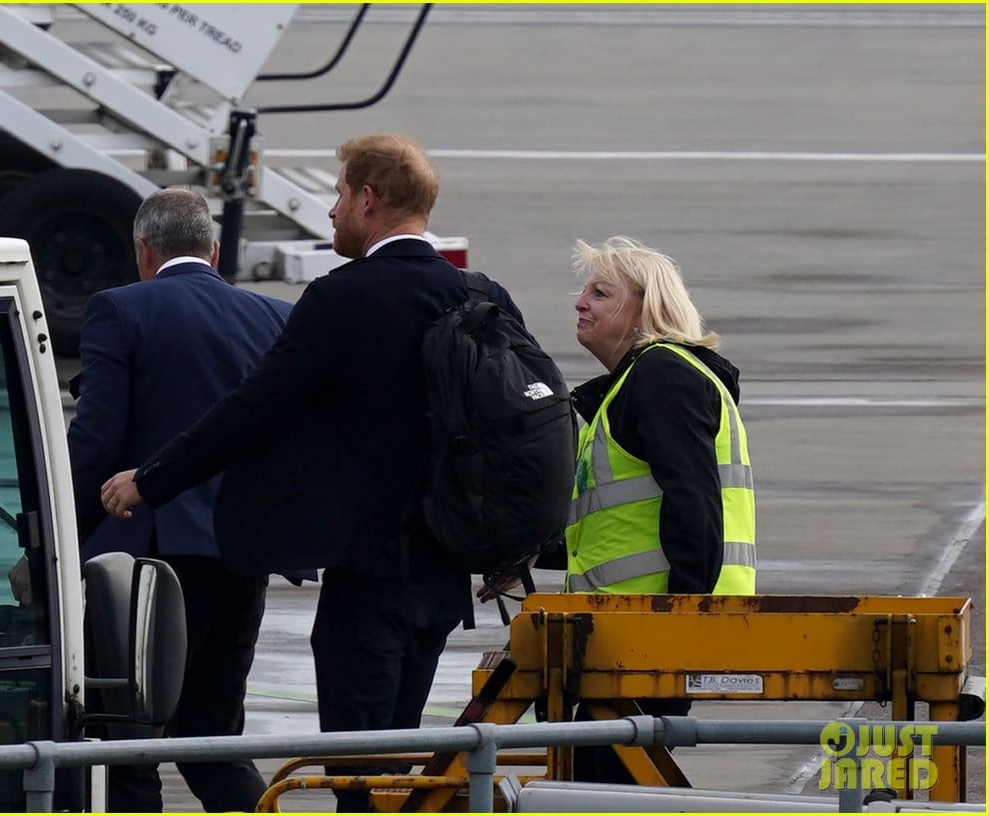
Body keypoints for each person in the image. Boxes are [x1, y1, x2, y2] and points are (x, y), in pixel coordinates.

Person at [99, 133, 530, 812]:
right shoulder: (480, 294)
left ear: (367, 199)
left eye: (336, 195)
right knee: (391, 763)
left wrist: (150, 480)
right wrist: (512, 546)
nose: (329, 213)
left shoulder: (344, 298)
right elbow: (516, 429)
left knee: (357, 776)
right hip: (443, 584)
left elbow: (250, 412)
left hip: (369, 580)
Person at [67, 187, 296, 813]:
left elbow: (95, 439)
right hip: (237, 558)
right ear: (215, 250)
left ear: (143, 251)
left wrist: (59, 532)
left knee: (124, 744)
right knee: (214, 739)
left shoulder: (120, 309)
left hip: (145, 565)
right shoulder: (272, 317)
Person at [560, 235, 756, 782]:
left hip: (652, 632)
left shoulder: (662, 374)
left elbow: (694, 503)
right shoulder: (637, 383)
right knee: (602, 778)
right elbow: (618, 519)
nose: (580, 302)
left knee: (608, 783)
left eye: (600, 292)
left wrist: (681, 622)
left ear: (645, 311)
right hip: (630, 633)